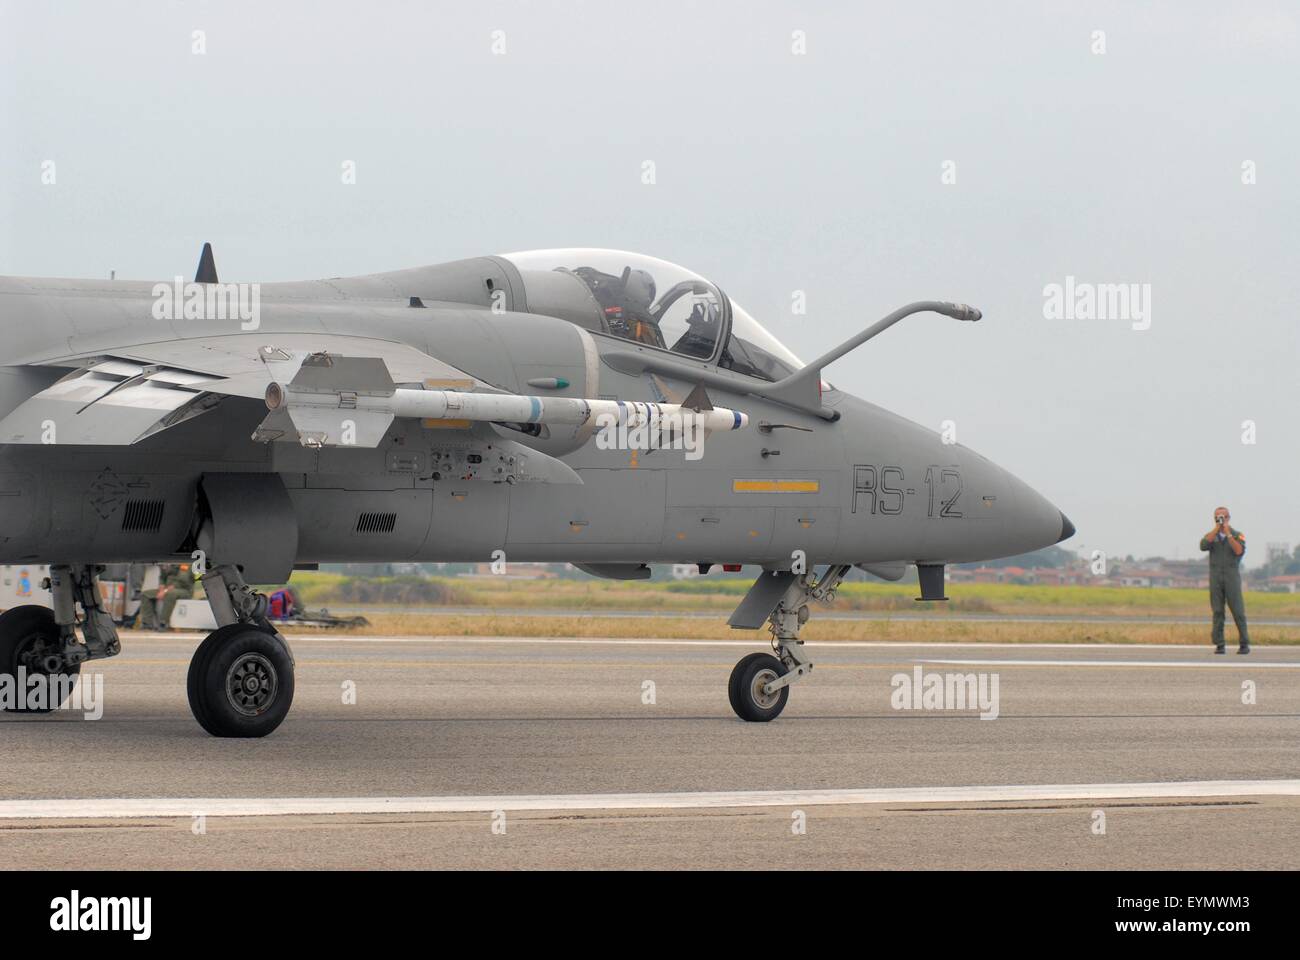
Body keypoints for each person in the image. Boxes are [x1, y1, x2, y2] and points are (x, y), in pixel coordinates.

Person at [1199, 507, 1249, 655]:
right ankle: (1219, 644)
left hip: (1231, 577)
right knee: (1218, 611)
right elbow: (1203, 546)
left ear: (1229, 518)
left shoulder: (1237, 535)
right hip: (1215, 577)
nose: (1221, 520)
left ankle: (1244, 643)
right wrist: (1216, 529)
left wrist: (1227, 533)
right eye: (1218, 517)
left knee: (1238, 611)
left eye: (1223, 517)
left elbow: (1239, 550)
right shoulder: (1211, 535)